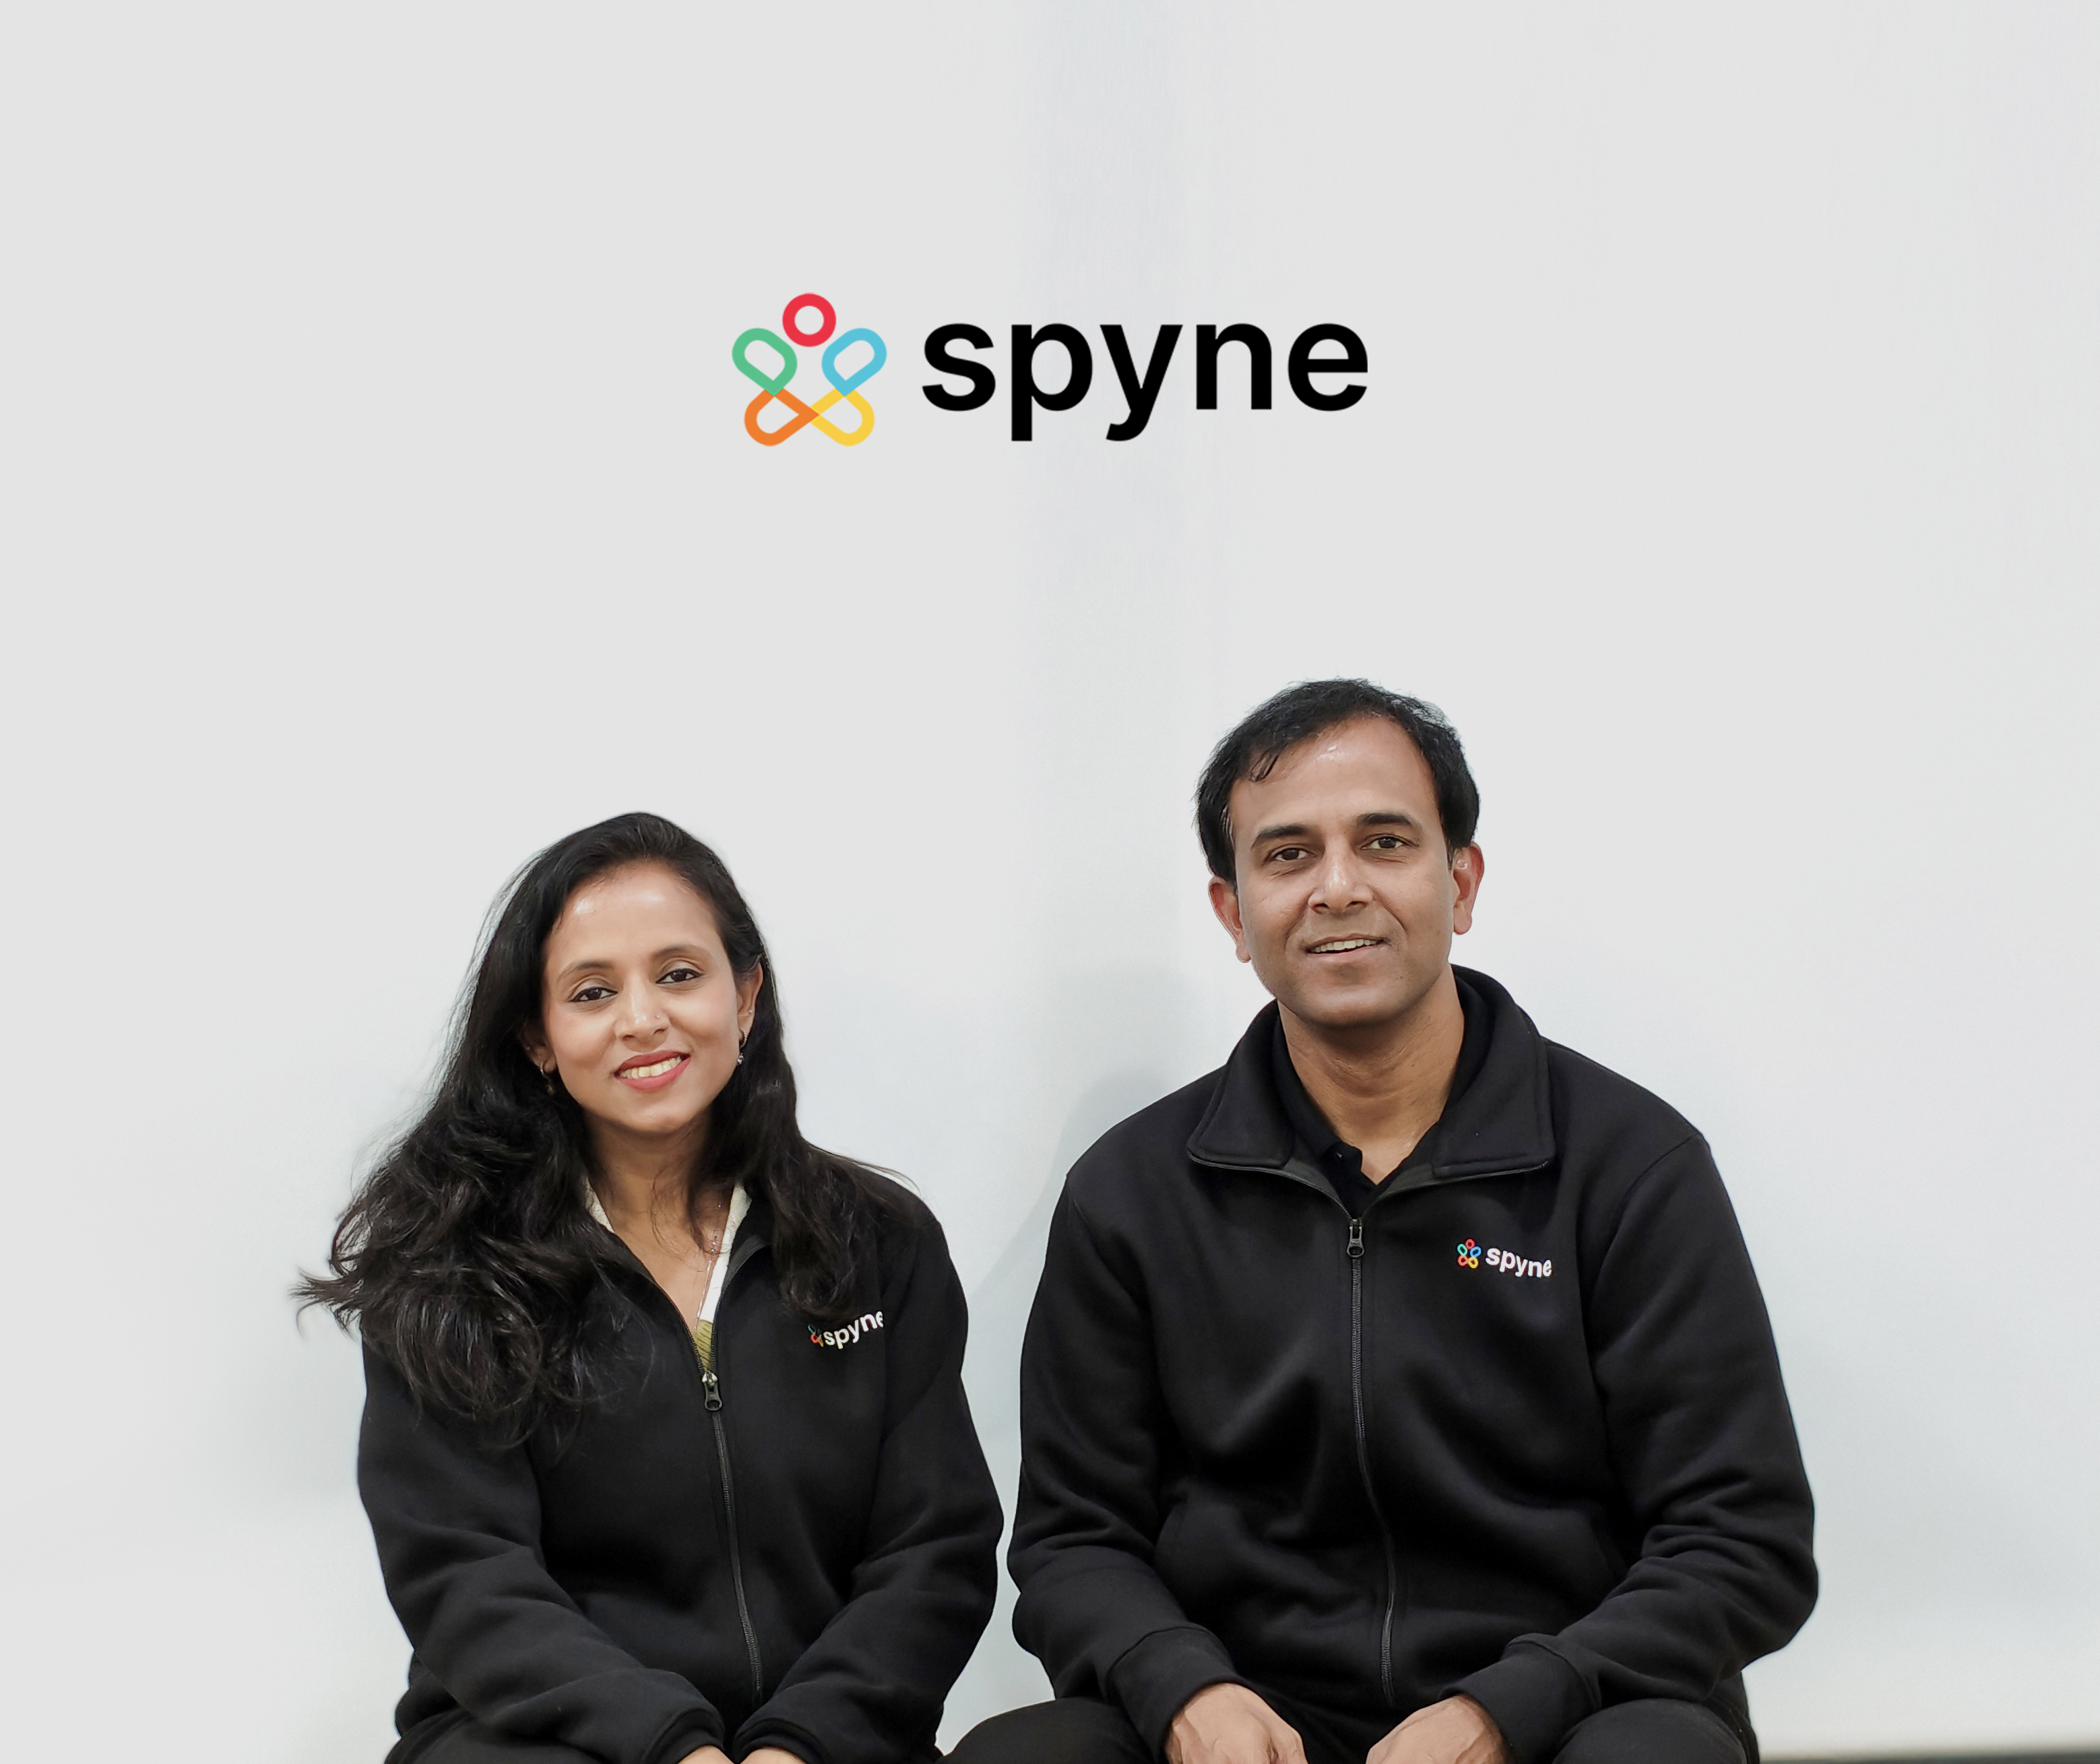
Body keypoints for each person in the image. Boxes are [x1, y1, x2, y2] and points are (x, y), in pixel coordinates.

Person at [954, 682, 1816, 1764]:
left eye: (1384, 841)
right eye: (1287, 855)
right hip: (1252, 1727)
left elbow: (1740, 1539)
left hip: (1562, 1716)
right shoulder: (1131, 1191)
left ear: (1460, 882)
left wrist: (1512, 1705)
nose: (1337, 887)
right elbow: (1075, 1539)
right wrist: (1182, 1690)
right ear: (1232, 913)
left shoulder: (1630, 1166)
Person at [301, 812, 1001, 1764]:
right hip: (549, 1744)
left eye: (678, 974)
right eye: (592, 992)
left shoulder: (877, 1241)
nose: (642, 1018)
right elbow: (466, 1574)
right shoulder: (449, 1267)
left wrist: (800, 1744)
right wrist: (673, 1748)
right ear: (538, 1036)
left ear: (744, 996)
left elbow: (933, 1549)